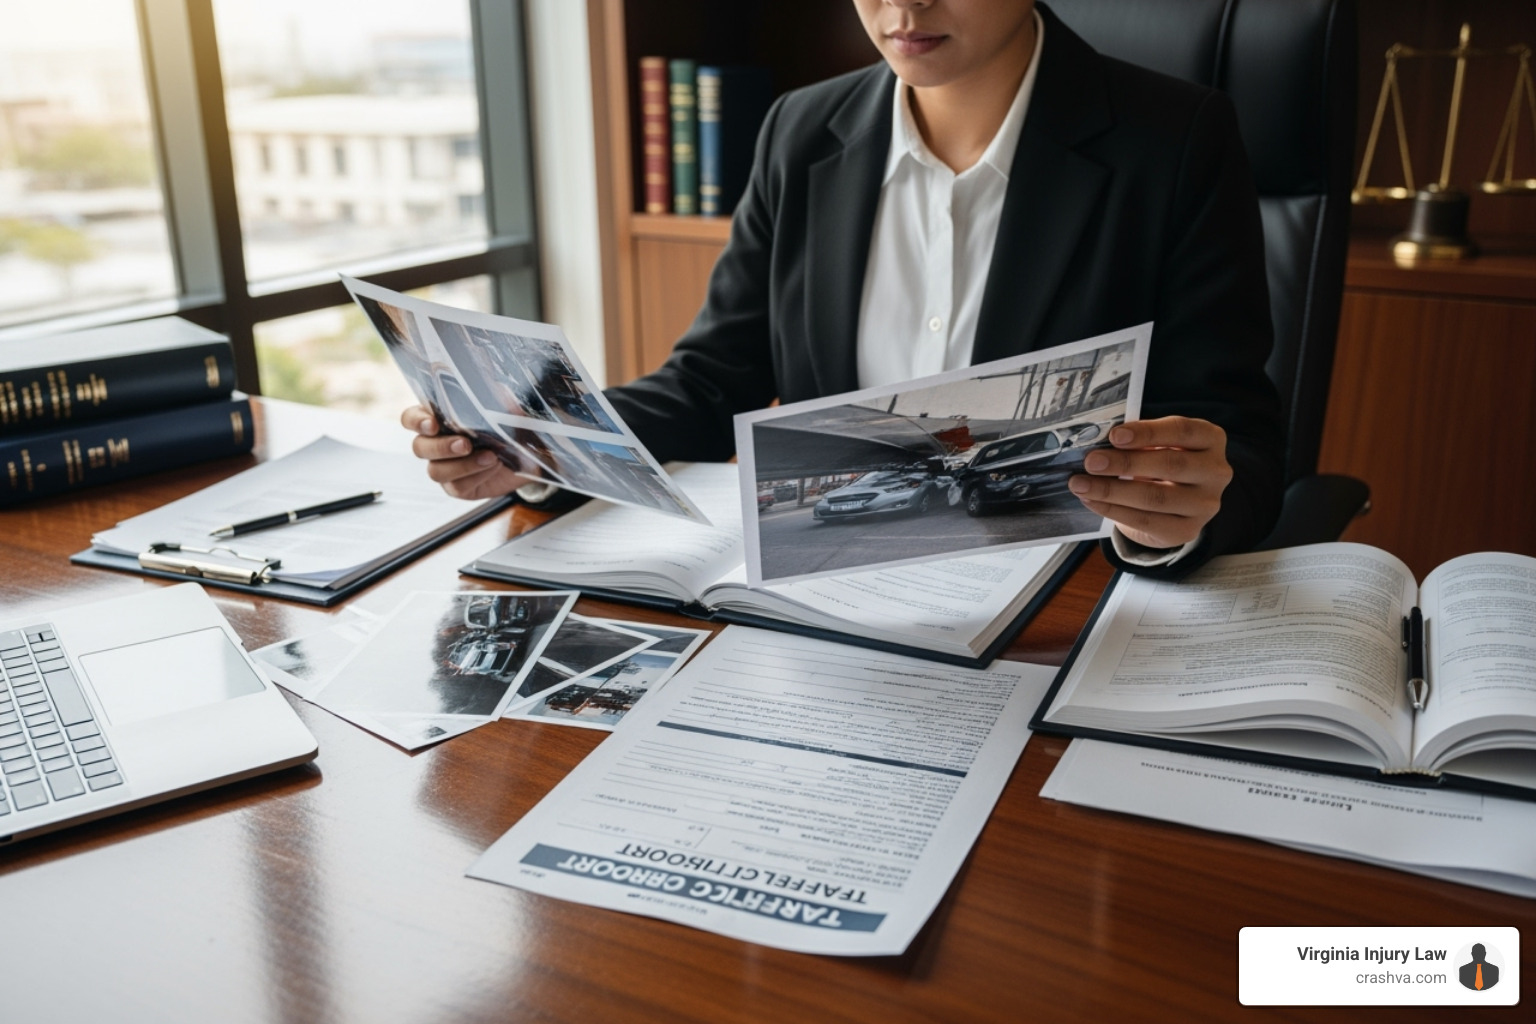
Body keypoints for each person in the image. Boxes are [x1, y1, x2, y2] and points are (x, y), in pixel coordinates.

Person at [405, 0, 1285, 578]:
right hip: (832, 596)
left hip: (1060, 610)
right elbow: (713, 382)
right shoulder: (802, 131)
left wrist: (1174, 513)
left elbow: (1233, 431)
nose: (904, 8)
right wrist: (535, 442)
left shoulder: (1174, 141)